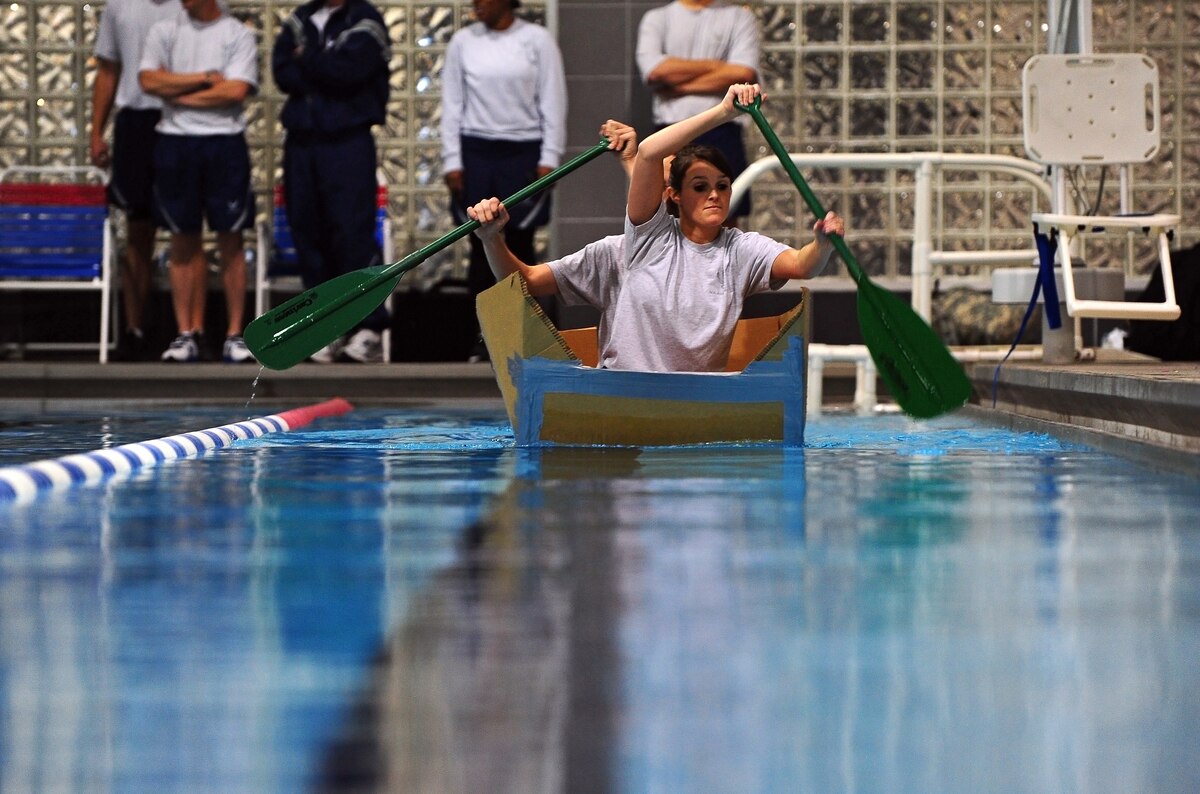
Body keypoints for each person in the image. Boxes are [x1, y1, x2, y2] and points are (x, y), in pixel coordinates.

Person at [468, 90, 844, 372]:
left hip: (692, 406)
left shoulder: (741, 250)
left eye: (723, 186)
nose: (715, 195)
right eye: (700, 187)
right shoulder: (636, 243)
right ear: (674, 196)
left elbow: (801, 265)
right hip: (620, 398)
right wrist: (491, 238)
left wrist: (823, 243)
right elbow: (524, 282)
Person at [440, 0, 567, 361]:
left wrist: (549, 158)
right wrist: (452, 161)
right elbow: (452, 104)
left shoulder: (537, 40)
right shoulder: (462, 42)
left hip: (523, 153)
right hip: (475, 152)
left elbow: (553, 99)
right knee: (479, 245)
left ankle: (527, 339)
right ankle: (483, 340)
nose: (476, 4)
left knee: (520, 245)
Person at [272, 0, 391, 364]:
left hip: (347, 141)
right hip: (302, 142)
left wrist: (306, 58)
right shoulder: (299, 19)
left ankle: (368, 328)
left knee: (351, 232)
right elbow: (282, 73)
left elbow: (348, 72)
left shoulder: (366, 21)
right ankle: (324, 326)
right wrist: (321, 63)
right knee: (308, 229)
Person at [138, 0, 258, 363]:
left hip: (224, 142)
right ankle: (187, 332)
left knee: (231, 239)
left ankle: (235, 333)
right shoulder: (164, 31)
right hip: (176, 142)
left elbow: (235, 91)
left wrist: (176, 92)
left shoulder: (236, 34)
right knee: (182, 239)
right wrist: (205, 78)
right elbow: (147, 80)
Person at [90, 0, 182, 360]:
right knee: (138, 229)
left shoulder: (194, 5)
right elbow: (108, 71)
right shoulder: (119, 6)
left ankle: (187, 332)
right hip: (135, 124)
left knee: (184, 229)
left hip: (182, 119)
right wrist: (96, 132)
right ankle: (134, 328)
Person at [635, 0, 759, 224]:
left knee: (725, 215)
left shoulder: (739, 17)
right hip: (671, 132)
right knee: (665, 214)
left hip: (723, 131)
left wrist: (680, 86)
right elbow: (655, 72)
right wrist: (718, 65)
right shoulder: (658, 18)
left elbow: (744, 73)